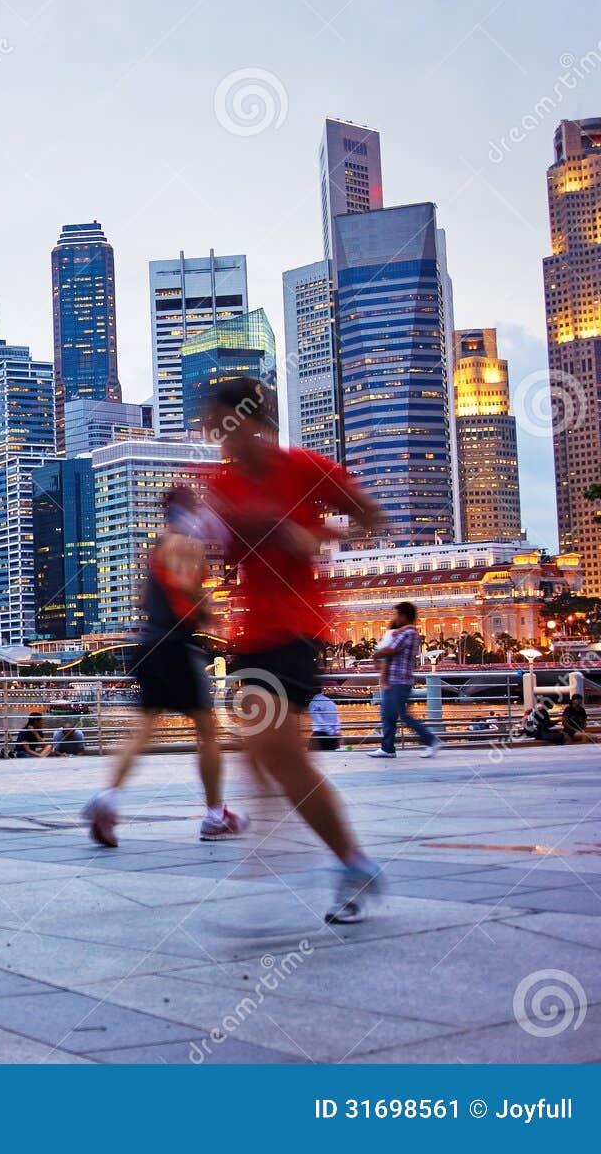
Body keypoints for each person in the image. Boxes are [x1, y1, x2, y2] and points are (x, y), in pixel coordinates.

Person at [203, 375, 387, 924]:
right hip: (248, 636)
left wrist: (315, 537)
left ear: (255, 424)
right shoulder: (222, 484)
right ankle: (287, 843)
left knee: (282, 755)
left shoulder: (305, 469)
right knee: (263, 749)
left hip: (296, 629)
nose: (217, 436)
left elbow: (371, 516)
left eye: (223, 425)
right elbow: (216, 549)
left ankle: (351, 862)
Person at [81, 487, 247, 848]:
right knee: (207, 730)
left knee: (143, 728)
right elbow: (187, 588)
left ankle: (107, 799)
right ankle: (216, 816)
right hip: (178, 645)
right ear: (191, 510)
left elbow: (143, 599)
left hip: (149, 643)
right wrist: (210, 615)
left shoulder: (156, 547)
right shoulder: (186, 545)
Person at [368, 602, 442, 759]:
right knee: (387, 714)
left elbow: (390, 649)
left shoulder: (408, 634)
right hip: (394, 679)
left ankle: (431, 740)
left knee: (403, 714)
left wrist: (376, 654)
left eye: (398, 615)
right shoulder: (407, 632)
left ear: (404, 616)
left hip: (399, 680)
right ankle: (387, 748)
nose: (396, 618)